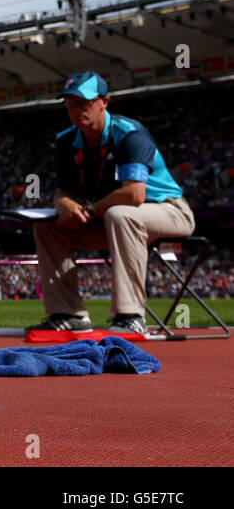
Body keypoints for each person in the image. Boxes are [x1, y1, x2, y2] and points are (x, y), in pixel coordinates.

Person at [28, 71, 194, 335]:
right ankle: (68, 314)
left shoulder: (129, 134)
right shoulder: (66, 141)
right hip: (110, 218)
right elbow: (63, 192)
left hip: (169, 211)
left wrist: (90, 209)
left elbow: (134, 194)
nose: (75, 108)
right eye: (70, 102)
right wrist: (64, 205)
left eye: (83, 102)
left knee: (120, 213)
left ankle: (131, 316)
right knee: (47, 225)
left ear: (104, 101)